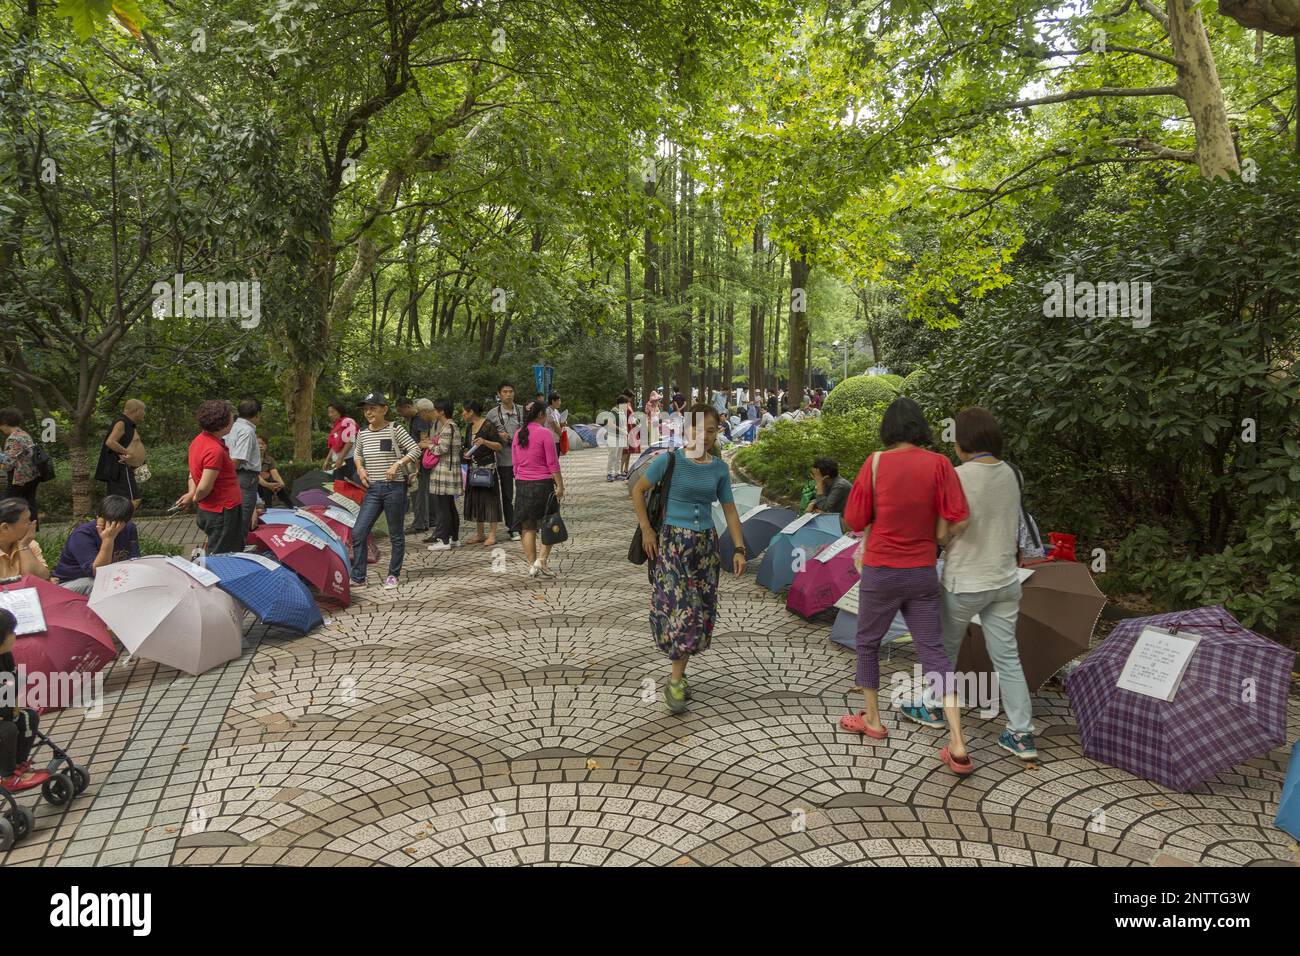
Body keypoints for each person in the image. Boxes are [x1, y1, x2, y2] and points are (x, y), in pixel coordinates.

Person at [841, 396, 974, 776]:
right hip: (922, 572)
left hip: (881, 571)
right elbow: (959, 516)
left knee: (867, 643)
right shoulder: (940, 464)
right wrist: (939, 537)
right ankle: (958, 742)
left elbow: (854, 516)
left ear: (888, 429)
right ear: (921, 428)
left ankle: (873, 720)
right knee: (933, 651)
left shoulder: (876, 463)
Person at [632, 405, 745, 714]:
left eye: (712, 430)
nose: (706, 436)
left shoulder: (719, 468)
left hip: (706, 546)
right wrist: (647, 531)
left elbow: (730, 509)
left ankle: (679, 672)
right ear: (686, 429)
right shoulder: (669, 461)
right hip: (673, 544)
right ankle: (676, 679)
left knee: (703, 608)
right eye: (700, 428)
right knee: (682, 609)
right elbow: (638, 491)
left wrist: (738, 547)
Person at [937, 407, 1036, 761]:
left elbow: (945, 530)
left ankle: (936, 708)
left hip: (964, 579)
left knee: (942, 652)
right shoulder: (1012, 474)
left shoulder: (957, 475)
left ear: (962, 442)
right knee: (1007, 657)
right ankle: (1022, 734)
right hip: (1005, 580)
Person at [350, 392, 422, 589]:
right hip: (372, 489)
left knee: (395, 534)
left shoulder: (395, 429)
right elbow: (357, 454)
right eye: (365, 409)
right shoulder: (362, 433)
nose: (368, 412)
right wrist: (360, 468)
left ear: (384, 409)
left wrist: (397, 464)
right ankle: (358, 577)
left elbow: (415, 449)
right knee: (358, 532)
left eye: (372, 408)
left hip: (394, 488)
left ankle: (393, 574)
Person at [177, 400, 244, 556]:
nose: (233, 421)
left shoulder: (199, 440)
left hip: (212, 510)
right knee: (222, 555)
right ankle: (217, 580)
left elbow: (193, 473)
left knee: (218, 549)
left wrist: (190, 493)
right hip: (222, 511)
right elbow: (205, 486)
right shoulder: (214, 450)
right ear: (222, 423)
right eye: (231, 418)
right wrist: (196, 497)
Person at [512, 400, 564, 578]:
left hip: (522, 484)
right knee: (550, 523)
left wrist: (520, 479)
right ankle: (541, 560)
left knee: (527, 527)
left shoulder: (518, 433)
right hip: (543, 484)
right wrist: (560, 485)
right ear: (541, 414)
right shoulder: (545, 434)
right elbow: (552, 462)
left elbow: (515, 463)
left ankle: (532, 565)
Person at [51, 494, 140, 594]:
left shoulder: (129, 529)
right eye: (104, 520)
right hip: (71, 583)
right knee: (105, 586)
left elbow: (134, 562)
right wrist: (108, 539)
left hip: (111, 578)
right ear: (97, 516)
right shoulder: (82, 534)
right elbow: (99, 572)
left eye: (114, 523)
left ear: (125, 522)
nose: (108, 527)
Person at [1, 607, 41, 786]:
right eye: (10, 632)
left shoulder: (5, 656)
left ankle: (19, 764)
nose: (14, 635)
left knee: (28, 717)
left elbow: (11, 684)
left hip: (4, 708)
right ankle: (7, 775)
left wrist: (13, 705)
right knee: (7, 729)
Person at [460, 399, 502, 546]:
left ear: (471, 411)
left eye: (464, 411)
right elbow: (467, 446)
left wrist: (484, 442)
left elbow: (498, 446)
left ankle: (492, 535)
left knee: (490, 500)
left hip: (487, 468)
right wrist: (466, 452)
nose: (462, 414)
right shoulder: (469, 427)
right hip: (473, 468)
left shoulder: (488, 425)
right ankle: (479, 533)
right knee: (476, 499)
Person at [425, 398, 463, 552]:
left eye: (435, 409)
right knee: (449, 506)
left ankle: (444, 539)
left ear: (441, 411)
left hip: (444, 472)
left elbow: (442, 449)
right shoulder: (450, 426)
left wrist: (427, 445)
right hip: (449, 471)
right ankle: (454, 538)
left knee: (443, 507)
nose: (434, 412)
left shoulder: (448, 427)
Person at [486, 382, 523, 541]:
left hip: (523, 460)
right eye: (505, 392)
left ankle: (527, 524)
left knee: (524, 493)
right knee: (507, 495)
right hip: (504, 460)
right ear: (499, 394)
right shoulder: (492, 414)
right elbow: (486, 434)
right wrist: (497, 435)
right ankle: (513, 527)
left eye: (511, 391)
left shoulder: (522, 411)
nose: (508, 394)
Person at [95, 399, 146, 512]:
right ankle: (119, 523)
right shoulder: (121, 422)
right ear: (137, 411)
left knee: (116, 502)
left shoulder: (129, 424)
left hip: (124, 468)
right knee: (132, 500)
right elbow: (110, 442)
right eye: (143, 411)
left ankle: (114, 524)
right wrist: (127, 452)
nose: (144, 414)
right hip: (119, 468)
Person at [224, 399, 262, 532]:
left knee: (237, 515)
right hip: (245, 477)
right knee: (244, 516)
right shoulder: (247, 431)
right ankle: (239, 547)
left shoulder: (232, 427)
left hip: (236, 476)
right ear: (257, 414)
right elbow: (237, 459)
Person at [0, 409, 39, 531]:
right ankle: (31, 532)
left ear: (5, 423)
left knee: (6, 505)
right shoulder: (24, 434)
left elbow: (8, 464)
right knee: (30, 505)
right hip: (32, 476)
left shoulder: (13, 439)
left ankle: (8, 532)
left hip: (19, 479)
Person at [0, 497, 49, 580]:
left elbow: (43, 578)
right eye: (26, 521)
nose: (31, 524)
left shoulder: (29, 543)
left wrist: (23, 545)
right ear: (5, 527)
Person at [406, 399, 435, 534]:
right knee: (425, 492)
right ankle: (430, 519)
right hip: (425, 459)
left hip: (422, 460)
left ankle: (420, 523)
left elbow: (424, 441)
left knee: (419, 493)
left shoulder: (421, 420)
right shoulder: (423, 419)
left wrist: (417, 457)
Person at [323, 401, 359, 483]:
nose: (330, 415)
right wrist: (327, 460)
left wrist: (340, 458)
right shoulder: (335, 426)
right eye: (329, 412)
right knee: (338, 487)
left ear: (340, 411)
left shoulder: (349, 421)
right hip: (338, 462)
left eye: (332, 412)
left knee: (356, 485)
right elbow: (333, 446)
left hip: (349, 460)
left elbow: (351, 440)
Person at [256, 436, 292, 510]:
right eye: (258, 444)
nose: (260, 446)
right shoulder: (251, 459)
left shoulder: (269, 459)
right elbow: (256, 476)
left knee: (276, 484)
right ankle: (268, 508)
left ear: (266, 446)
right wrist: (268, 484)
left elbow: (275, 474)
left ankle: (292, 507)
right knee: (267, 485)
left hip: (267, 484)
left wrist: (281, 484)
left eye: (263, 444)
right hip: (254, 486)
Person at [606, 390, 629, 482]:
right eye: (626, 404)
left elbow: (624, 425)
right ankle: (609, 473)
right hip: (613, 437)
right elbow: (610, 424)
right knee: (612, 455)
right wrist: (621, 430)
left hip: (621, 437)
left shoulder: (622, 412)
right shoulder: (613, 412)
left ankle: (617, 473)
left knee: (619, 456)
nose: (627, 406)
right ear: (621, 404)